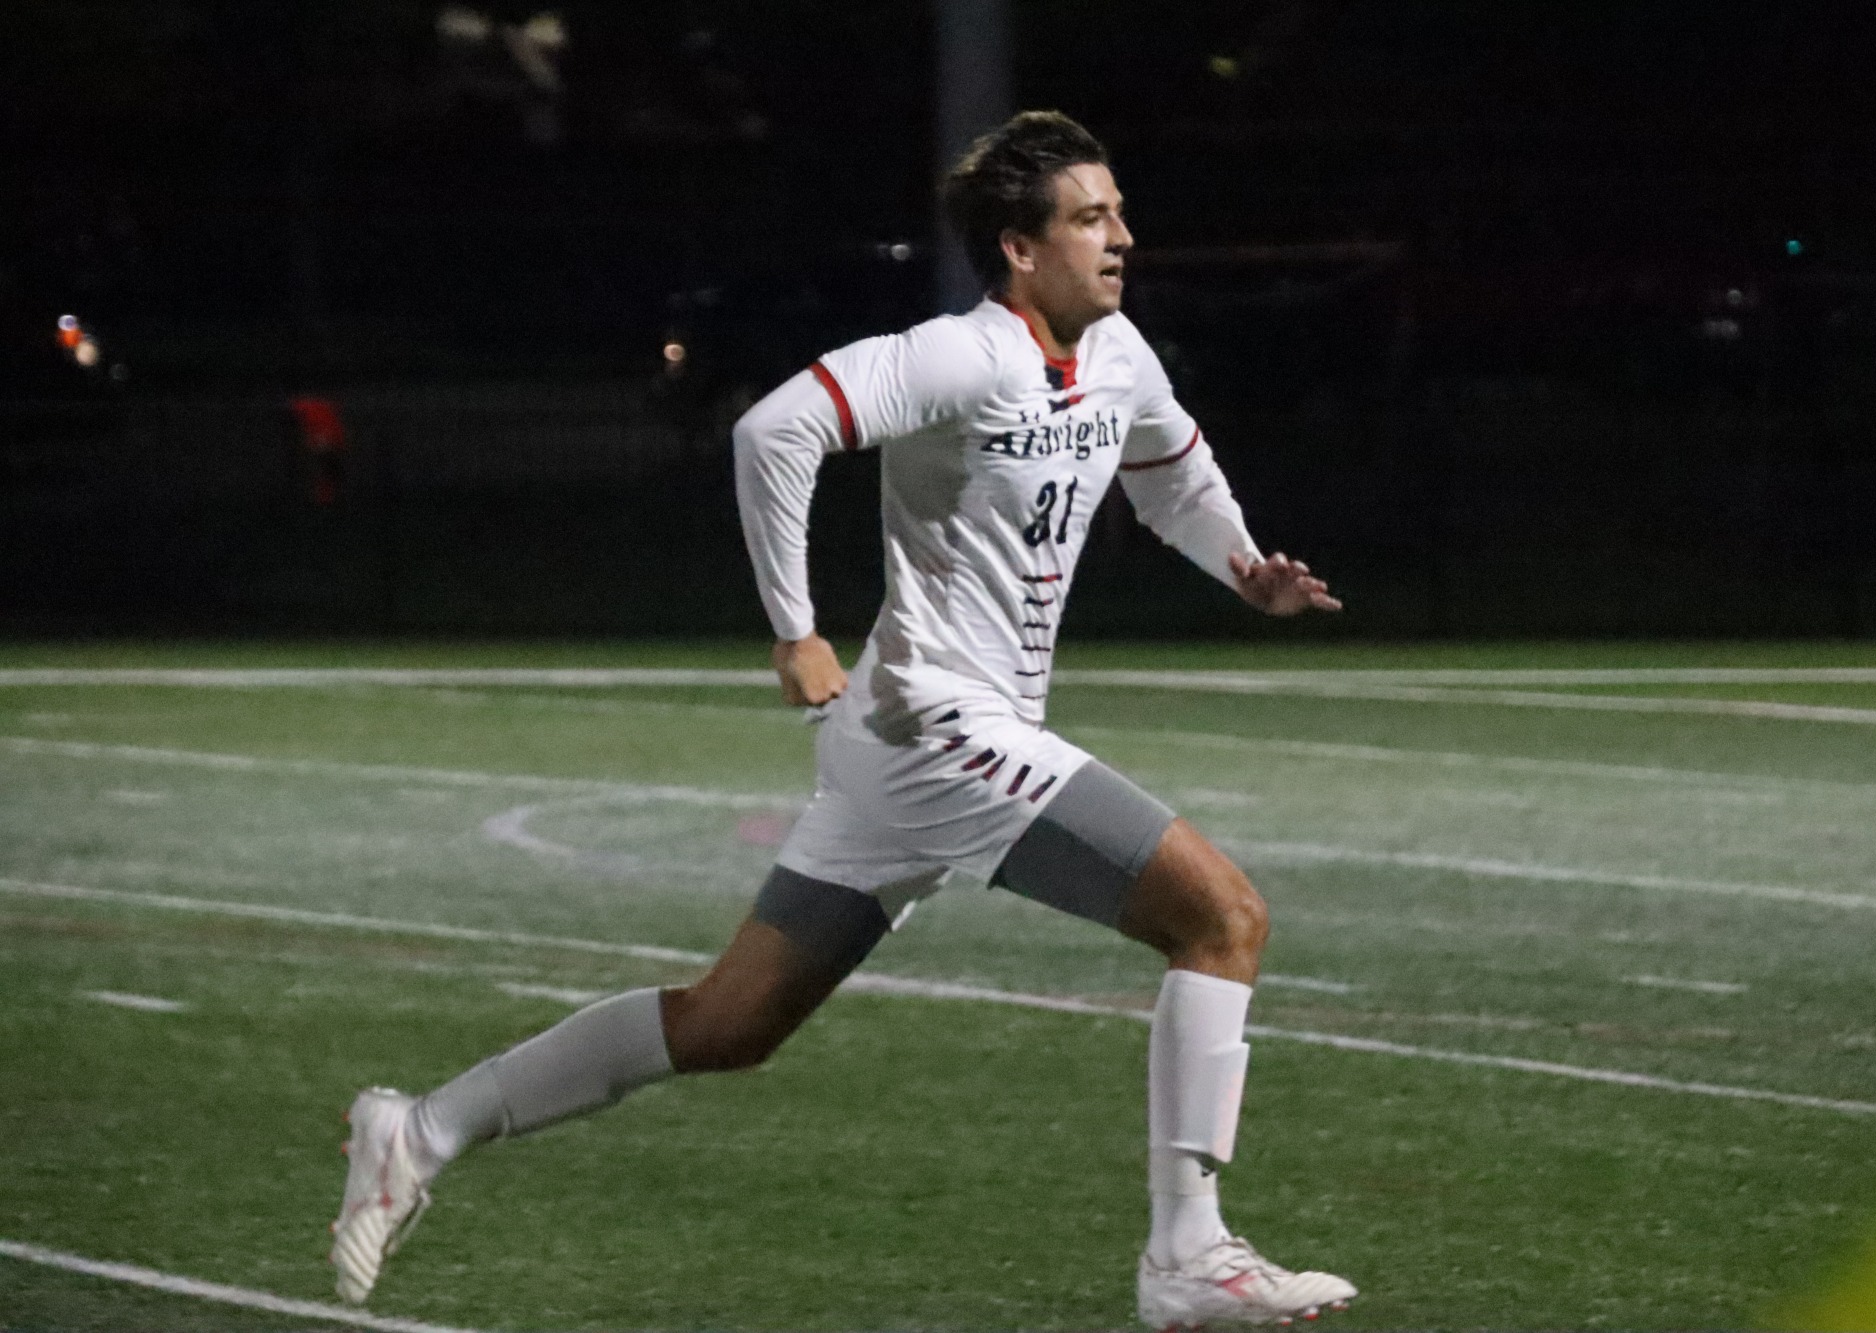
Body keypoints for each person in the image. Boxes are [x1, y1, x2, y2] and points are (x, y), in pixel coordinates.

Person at [331, 110, 1354, 1328]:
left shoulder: (1119, 353)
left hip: (899, 753)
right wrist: (794, 624)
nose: (1121, 236)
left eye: (1117, 211)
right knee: (1221, 916)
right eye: (1090, 217)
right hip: (935, 725)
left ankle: (420, 1129)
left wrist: (1244, 566)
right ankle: (1186, 1254)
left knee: (726, 1023)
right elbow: (777, 428)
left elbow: (1168, 467)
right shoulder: (955, 356)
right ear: (1020, 250)